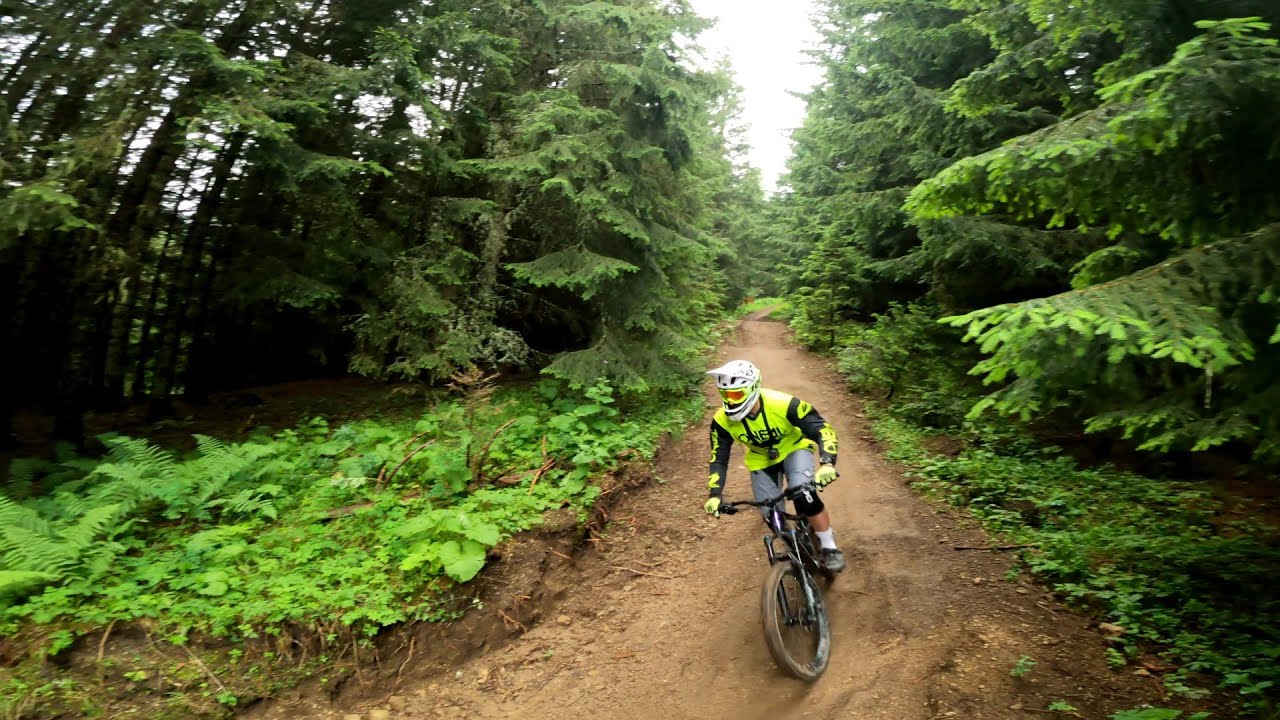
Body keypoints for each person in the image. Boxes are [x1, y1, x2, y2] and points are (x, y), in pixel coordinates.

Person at [703, 359, 846, 572]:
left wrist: (827, 463)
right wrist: (715, 494)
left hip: (794, 449)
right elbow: (719, 457)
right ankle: (796, 548)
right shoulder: (722, 421)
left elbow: (822, 429)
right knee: (771, 515)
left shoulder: (783, 404)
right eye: (725, 395)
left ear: (752, 389)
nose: (730, 402)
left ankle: (829, 546)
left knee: (803, 494)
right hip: (761, 459)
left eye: (735, 394)